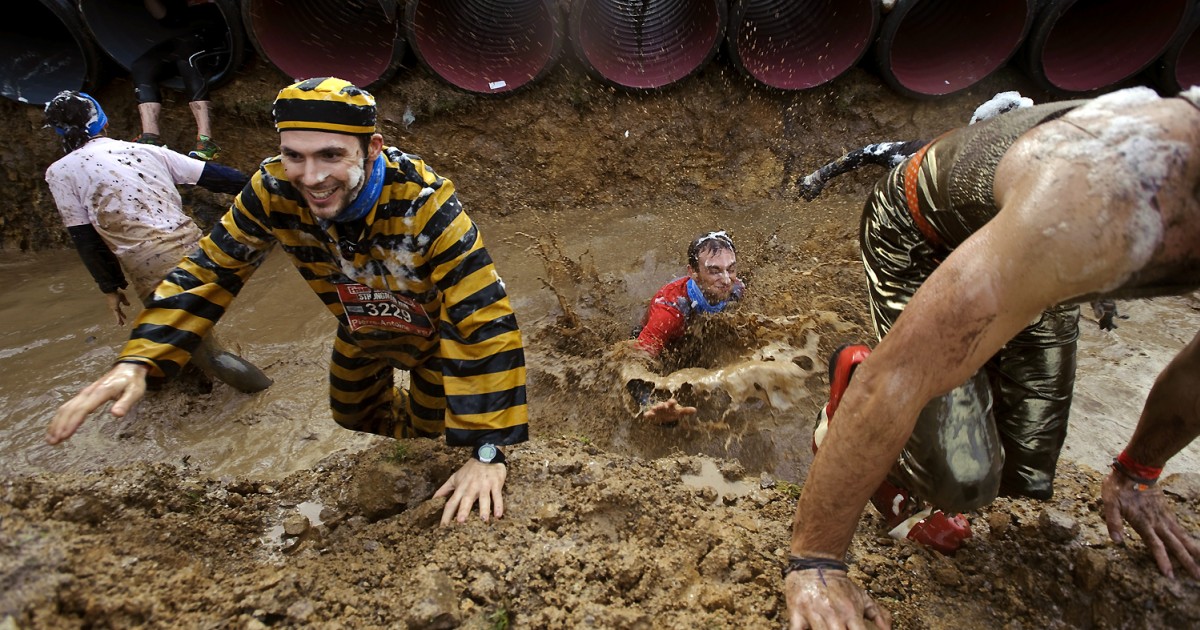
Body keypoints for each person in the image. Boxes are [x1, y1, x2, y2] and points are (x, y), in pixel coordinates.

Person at [784, 86, 1200, 629]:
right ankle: (857, 407)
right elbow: (899, 378)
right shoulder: (1096, 196)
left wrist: (1139, 471)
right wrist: (817, 563)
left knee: (1027, 467)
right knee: (965, 477)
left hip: (1036, 252)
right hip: (922, 231)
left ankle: (915, 458)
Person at [45, 77, 529, 525]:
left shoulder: (427, 205)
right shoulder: (273, 189)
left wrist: (488, 449)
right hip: (361, 322)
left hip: (436, 339)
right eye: (294, 156)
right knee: (352, 411)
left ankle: (448, 438)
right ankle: (433, 430)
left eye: (330, 156)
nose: (311, 177)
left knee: (430, 429)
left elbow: (481, 316)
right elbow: (212, 269)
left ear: (371, 148)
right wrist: (140, 357)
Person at [43, 90, 271, 394]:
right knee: (177, 337)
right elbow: (226, 180)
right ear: (104, 122)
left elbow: (85, 238)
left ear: (56, 132)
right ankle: (177, 388)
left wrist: (110, 288)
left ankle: (267, 396)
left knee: (208, 353)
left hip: (152, 265)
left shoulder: (60, 172)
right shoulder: (146, 152)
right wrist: (279, 198)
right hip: (200, 252)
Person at [627, 230, 744, 424]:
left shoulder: (736, 288)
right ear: (693, 273)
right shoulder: (669, 312)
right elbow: (632, 366)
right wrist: (650, 404)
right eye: (714, 271)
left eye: (731, 269)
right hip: (662, 341)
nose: (726, 280)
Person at [130, 0, 224, 160]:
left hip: (216, 33)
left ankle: (206, 141)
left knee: (186, 54)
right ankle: (151, 136)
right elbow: (167, 20)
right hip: (183, 38)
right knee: (141, 66)